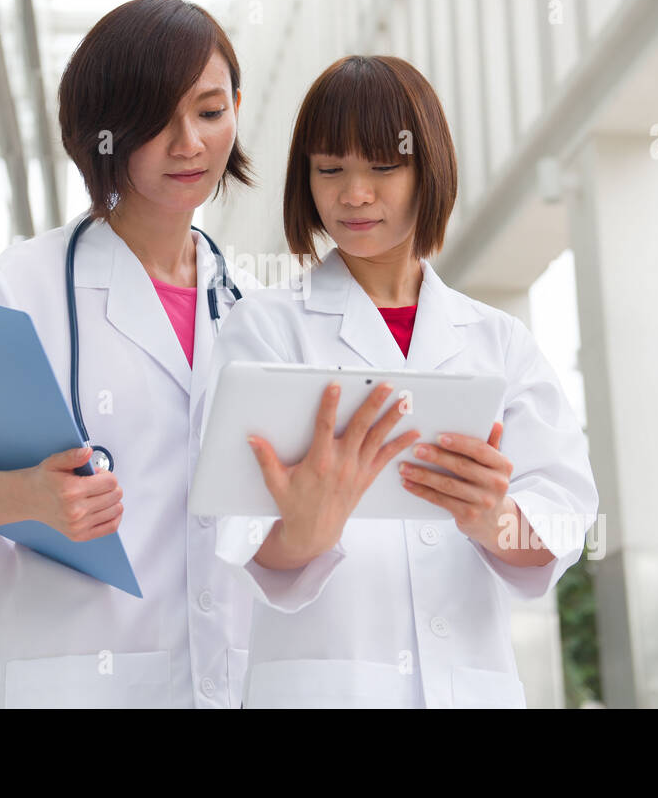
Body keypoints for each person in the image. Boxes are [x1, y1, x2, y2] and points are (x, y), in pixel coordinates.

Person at [203, 54, 599, 708]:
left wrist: (491, 517)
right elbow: (239, 535)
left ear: (429, 169)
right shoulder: (265, 331)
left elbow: (559, 525)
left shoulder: (499, 344)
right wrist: (309, 523)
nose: (354, 194)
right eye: (330, 169)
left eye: (384, 167)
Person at [0, 0, 260, 708]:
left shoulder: (253, 308)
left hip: (217, 684)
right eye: (157, 120)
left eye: (211, 112)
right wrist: (31, 495)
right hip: (58, 679)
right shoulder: (23, 283)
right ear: (104, 134)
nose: (188, 143)